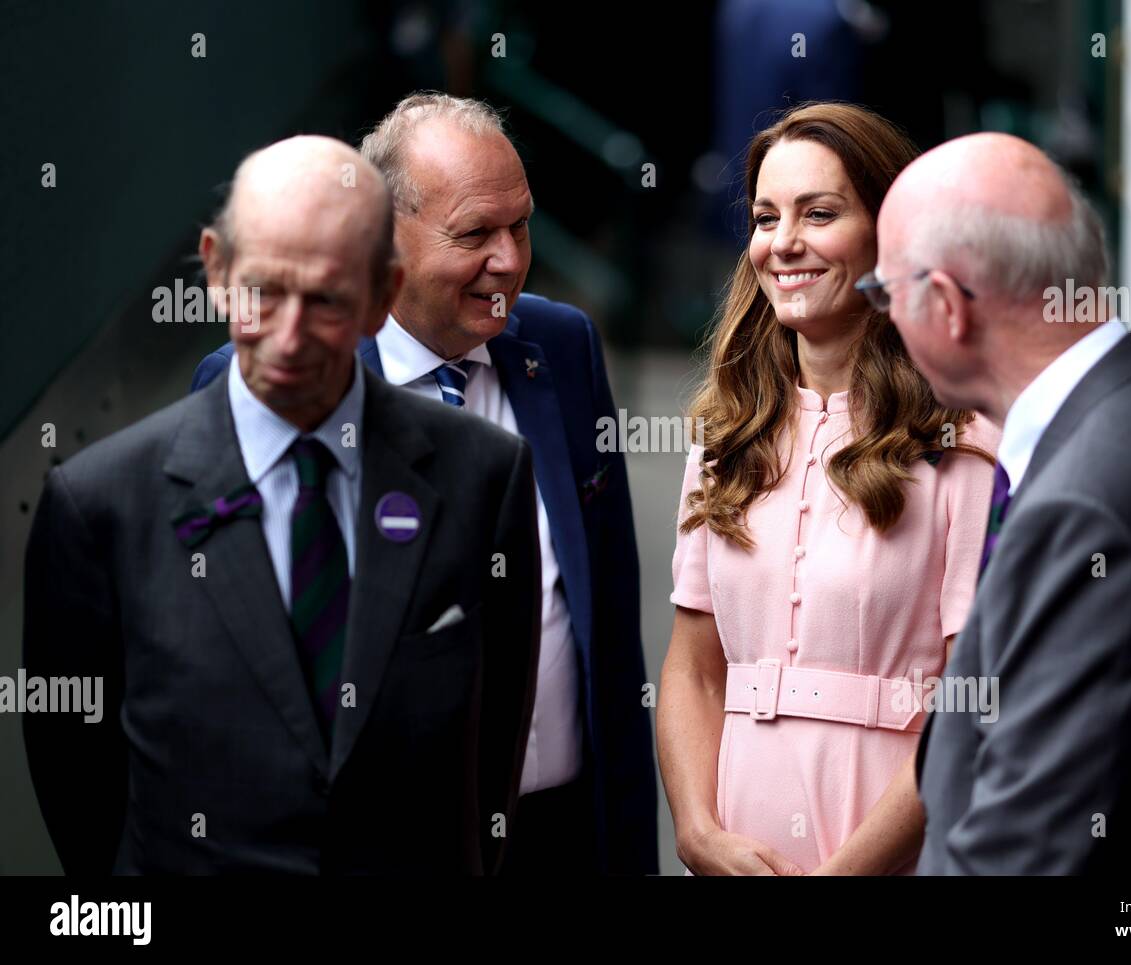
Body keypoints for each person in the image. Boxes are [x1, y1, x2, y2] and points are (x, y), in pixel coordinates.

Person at [23, 135, 542, 875]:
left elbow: (492, 755)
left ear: (380, 296)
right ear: (215, 268)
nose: (290, 337)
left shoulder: (483, 476)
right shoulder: (100, 506)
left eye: (327, 298)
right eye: (263, 291)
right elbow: (81, 785)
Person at [190, 93, 658, 875]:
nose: (508, 259)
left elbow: (609, 625)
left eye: (520, 225)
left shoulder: (559, 347)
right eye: (474, 233)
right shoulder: (268, 380)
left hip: (560, 834)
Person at [874, 131, 1131, 874]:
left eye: (883, 292)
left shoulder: (1086, 504)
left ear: (945, 304)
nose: (882, 318)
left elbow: (1018, 855)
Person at [658, 103, 998, 875]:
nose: (784, 243)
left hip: (892, 847)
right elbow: (693, 666)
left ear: (891, 233)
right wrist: (697, 833)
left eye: (820, 214)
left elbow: (970, 695)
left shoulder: (964, 442)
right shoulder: (725, 433)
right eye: (765, 216)